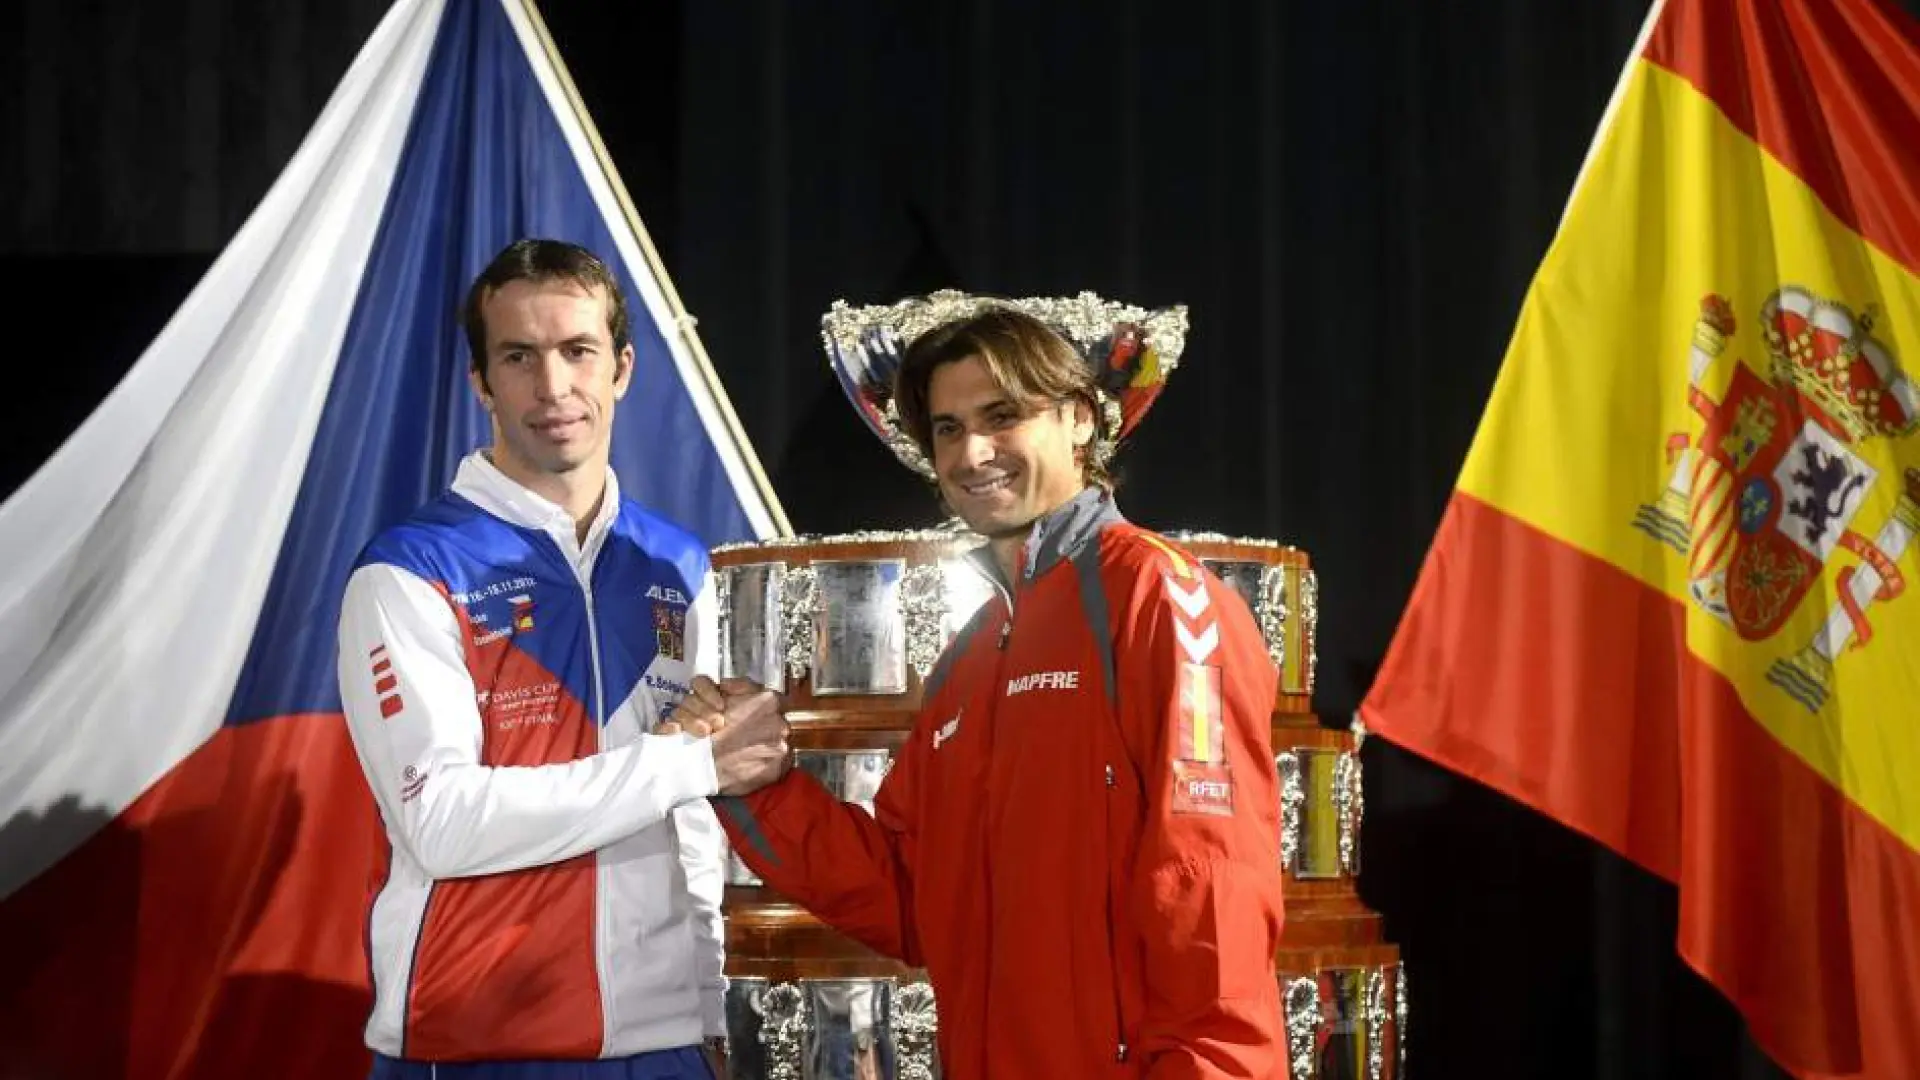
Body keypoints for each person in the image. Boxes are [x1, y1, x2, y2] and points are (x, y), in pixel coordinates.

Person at [674, 304, 1286, 1078]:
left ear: (1079, 421)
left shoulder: (1160, 599)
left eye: (1003, 416)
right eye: (949, 429)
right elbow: (910, 897)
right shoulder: (974, 651)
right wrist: (759, 786)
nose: (974, 452)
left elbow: (1211, 890)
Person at [336, 238, 789, 1079]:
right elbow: (440, 821)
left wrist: (710, 1005)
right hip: (479, 1040)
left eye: (578, 352)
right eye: (519, 357)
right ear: (481, 382)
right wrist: (683, 762)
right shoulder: (412, 569)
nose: (554, 388)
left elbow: (697, 823)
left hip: (667, 1046)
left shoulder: (679, 565)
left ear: (621, 367)